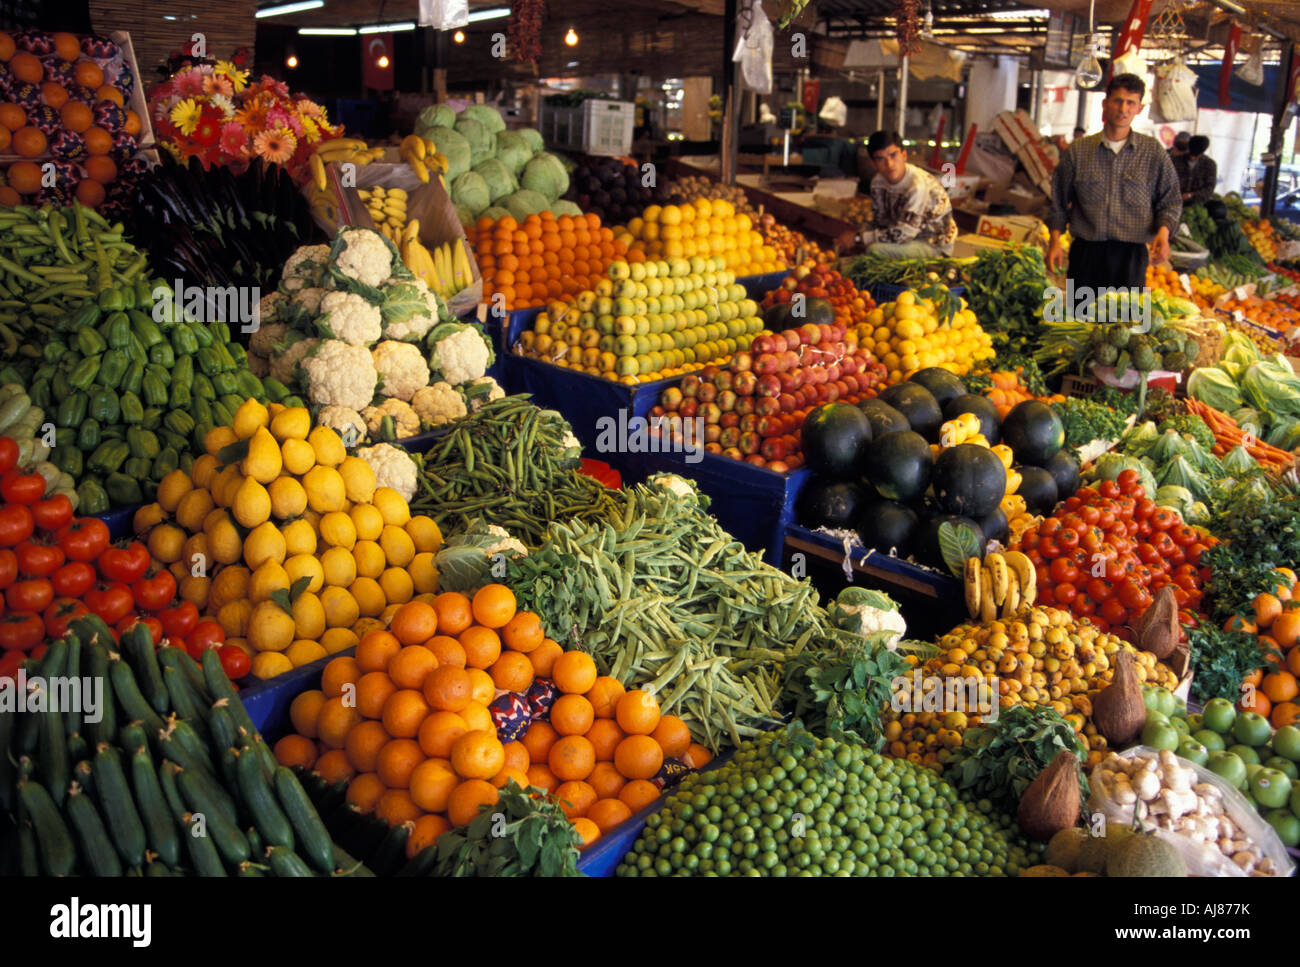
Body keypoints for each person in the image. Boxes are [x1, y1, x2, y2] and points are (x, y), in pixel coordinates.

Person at [1047, 73, 1181, 291]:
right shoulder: (1078, 151)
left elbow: (1170, 200)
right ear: (1105, 103)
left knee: (1124, 322)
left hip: (1131, 258)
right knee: (1080, 321)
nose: (1123, 109)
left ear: (1139, 108)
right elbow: (1058, 204)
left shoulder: (1153, 152)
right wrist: (1054, 241)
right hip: (1086, 255)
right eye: (1117, 100)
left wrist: (1164, 234)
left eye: (1131, 103)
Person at [859, 129, 958, 258]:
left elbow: (904, 235)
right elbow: (880, 220)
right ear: (873, 164)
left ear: (904, 155)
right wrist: (860, 233)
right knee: (866, 243)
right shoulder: (877, 183)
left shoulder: (916, 185)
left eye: (893, 155)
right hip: (907, 237)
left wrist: (859, 238)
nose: (889, 164)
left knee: (875, 250)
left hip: (933, 243)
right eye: (880, 159)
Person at [1174, 135, 1218, 204]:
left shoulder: (1210, 165)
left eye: (1196, 155)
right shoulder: (1176, 160)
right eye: (1191, 154)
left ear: (1202, 152)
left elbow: (1209, 188)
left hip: (1197, 205)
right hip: (1174, 202)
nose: (1192, 158)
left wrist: (1191, 195)